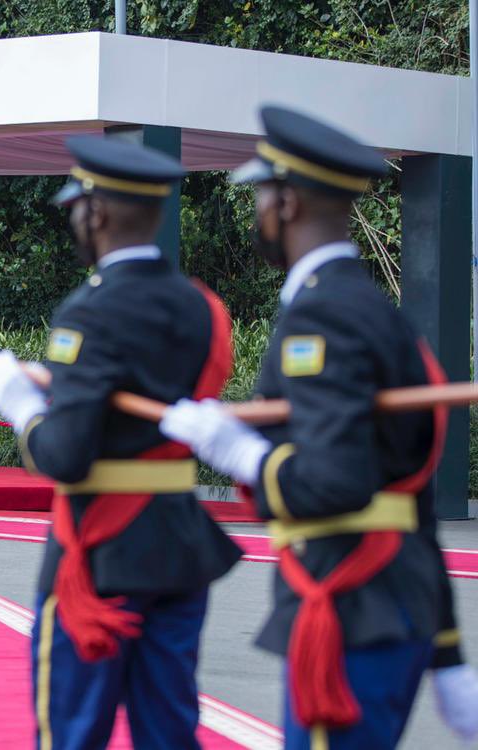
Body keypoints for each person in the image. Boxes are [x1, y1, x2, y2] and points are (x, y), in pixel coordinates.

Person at [160, 105, 478, 748]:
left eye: (261, 196)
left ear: (288, 203)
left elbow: (337, 483)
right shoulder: (369, 308)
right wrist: (447, 652)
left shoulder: (322, 316)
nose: (256, 212)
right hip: (390, 602)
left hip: (349, 607)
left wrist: (238, 451)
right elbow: (407, 495)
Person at [0, 136, 242, 749]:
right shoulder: (202, 306)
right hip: (176, 542)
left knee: (73, 733)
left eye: (77, 208)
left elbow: (67, 454)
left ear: (96, 213)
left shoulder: (90, 312)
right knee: (169, 733)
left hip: (101, 551)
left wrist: (23, 409)